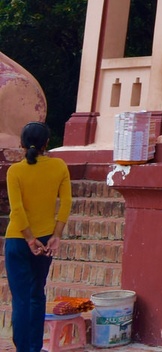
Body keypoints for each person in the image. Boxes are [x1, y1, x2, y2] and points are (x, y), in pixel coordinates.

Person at [6, 121, 71, 352]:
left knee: (21, 299)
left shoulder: (15, 171)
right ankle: (34, 348)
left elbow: (17, 210)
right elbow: (66, 203)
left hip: (18, 240)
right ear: (47, 143)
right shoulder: (59, 166)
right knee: (37, 293)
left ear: (21, 144)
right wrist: (56, 235)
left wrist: (28, 238)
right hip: (46, 239)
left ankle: (23, 349)